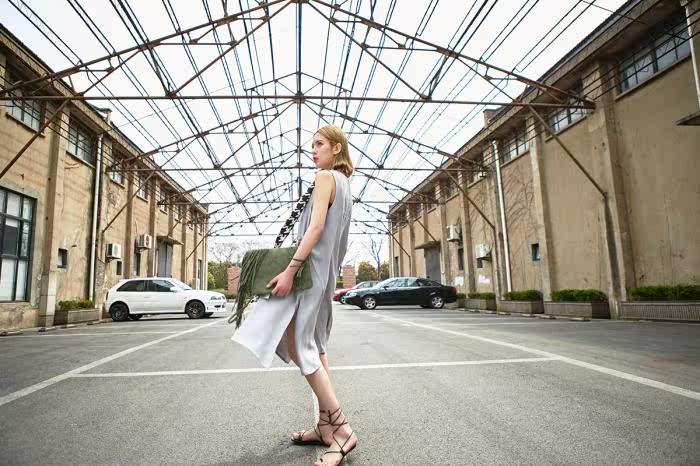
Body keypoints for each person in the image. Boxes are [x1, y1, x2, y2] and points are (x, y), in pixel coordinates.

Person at [231, 125, 357, 465]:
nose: (312, 150)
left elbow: (315, 228)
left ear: (336, 148)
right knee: (315, 346)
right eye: (312, 145)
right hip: (324, 276)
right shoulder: (346, 185)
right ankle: (325, 425)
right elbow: (338, 241)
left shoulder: (325, 178)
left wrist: (290, 270)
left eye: (319, 144)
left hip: (308, 274)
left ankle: (343, 430)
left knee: (301, 346)